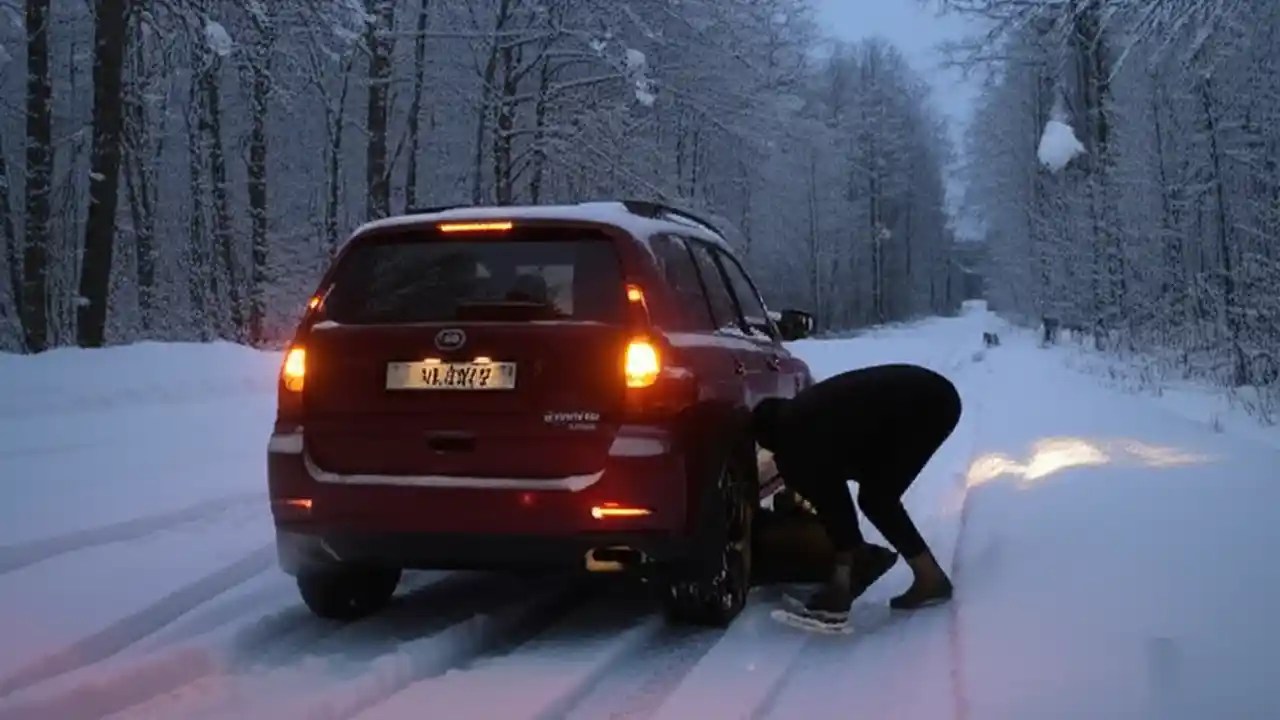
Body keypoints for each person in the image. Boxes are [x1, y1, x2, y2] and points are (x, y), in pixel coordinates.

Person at [752, 363, 962, 623]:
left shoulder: (795, 439)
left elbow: (835, 505)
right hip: (924, 392)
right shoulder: (805, 414)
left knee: (877, 500)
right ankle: (927, 575)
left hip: (924, 405)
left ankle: (931, 580)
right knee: (875, 492)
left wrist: (841, 577)